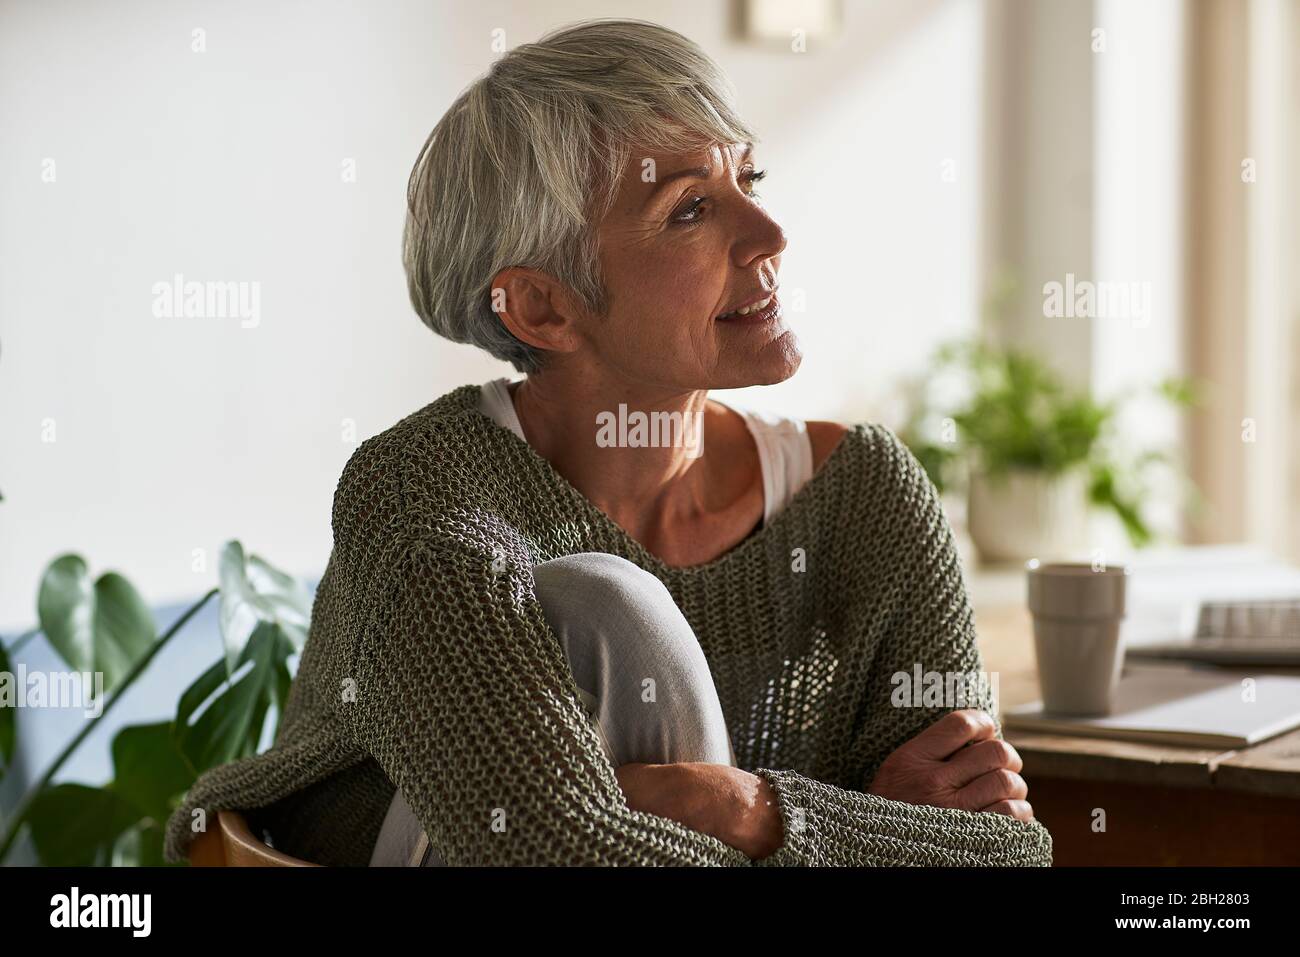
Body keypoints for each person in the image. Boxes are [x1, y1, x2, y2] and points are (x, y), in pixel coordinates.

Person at [164, 18, 1051, 867]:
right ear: (545, 307)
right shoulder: (422, 494)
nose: (771, 235)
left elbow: (1008, 850)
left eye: (752, 178)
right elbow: (549, 849)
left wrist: (739, 805)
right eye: (691, 210)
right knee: (608, 608)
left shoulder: (866, 495)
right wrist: (871, 834)